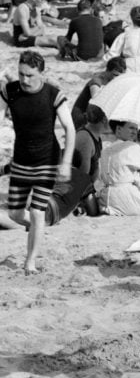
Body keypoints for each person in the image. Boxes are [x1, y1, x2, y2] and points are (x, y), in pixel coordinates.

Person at [0, 51, 76, 274]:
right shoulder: (9, 92)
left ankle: (30, 262)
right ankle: (37, 228)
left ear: (42, 73)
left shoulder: (53, 94)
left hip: (47, 161)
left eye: (30, 75)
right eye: (21, 74)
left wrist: (66, 162)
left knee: (36, 211)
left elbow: (70, 129)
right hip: (21, 160)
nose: (24, 79)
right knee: (15, 214)